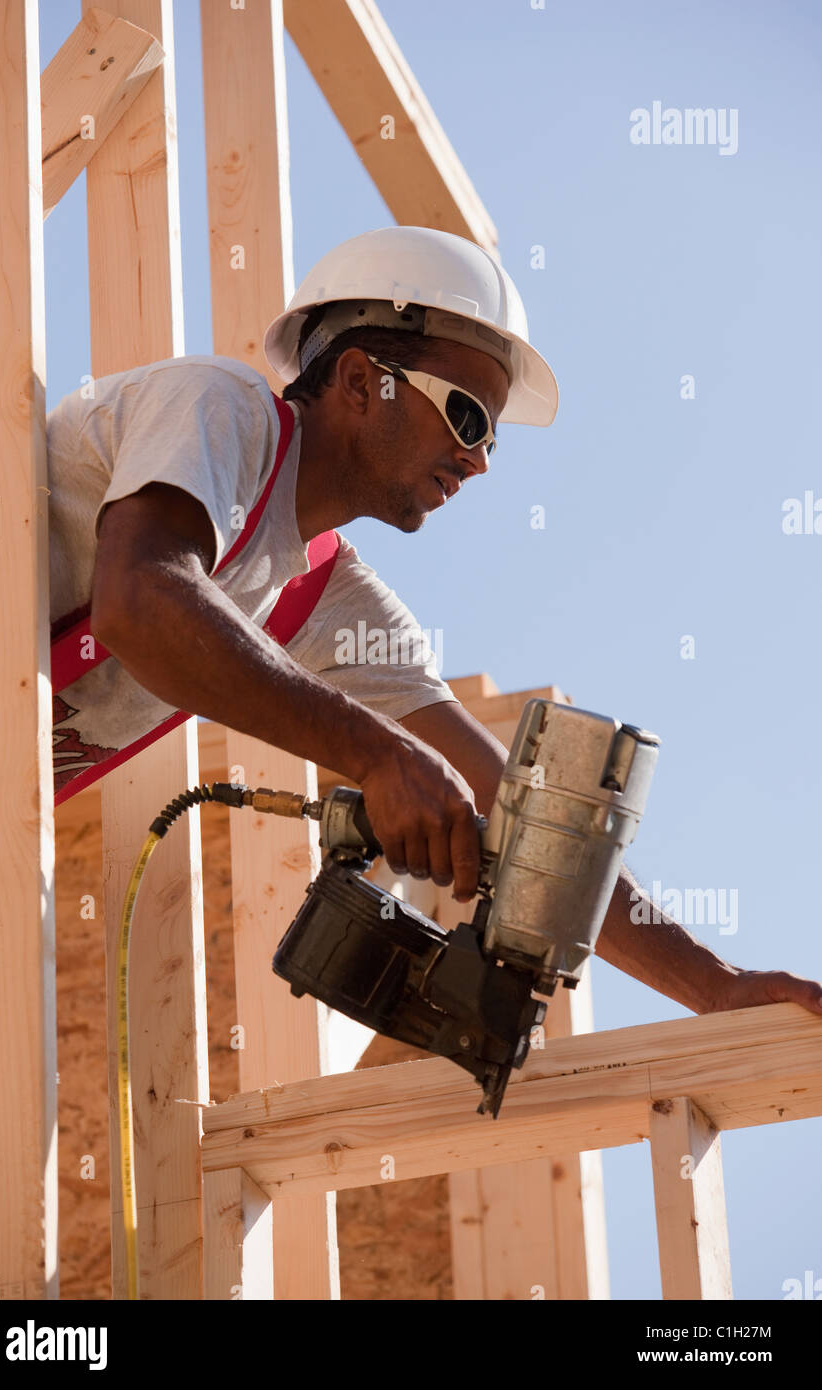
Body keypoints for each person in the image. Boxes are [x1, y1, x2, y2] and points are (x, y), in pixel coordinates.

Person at [47, 224, 821, 1020]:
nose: (480, 458)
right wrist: (375, 753)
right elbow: (140, 598)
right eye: (467, 417)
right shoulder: (216, 406)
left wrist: (714, 987)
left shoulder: (322, 596)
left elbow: (517, 813)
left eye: (490, 436)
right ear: (358, 380)